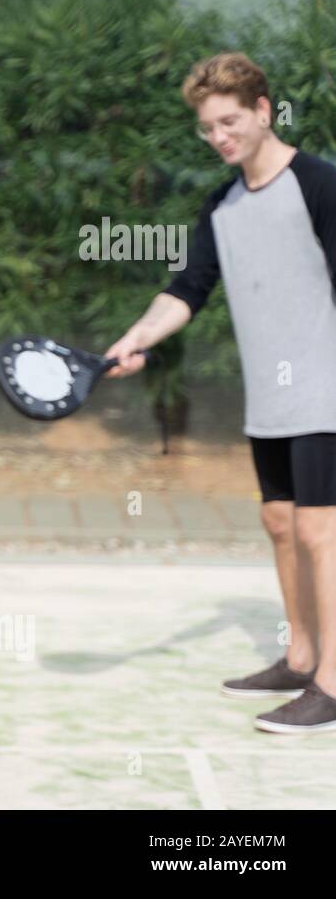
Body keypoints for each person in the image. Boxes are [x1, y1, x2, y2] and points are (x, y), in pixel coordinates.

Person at [104, 53, 336, 734]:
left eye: (230, 121)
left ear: (264, 111)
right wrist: (138, 338)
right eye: (208, 128)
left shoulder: (321, 186)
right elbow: (186, 290)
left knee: (322, 531)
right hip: (269, 397)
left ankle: (331, 683)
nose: (219, 137)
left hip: (326, 390)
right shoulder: (222, 206)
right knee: (279, 524)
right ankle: (299, 655)